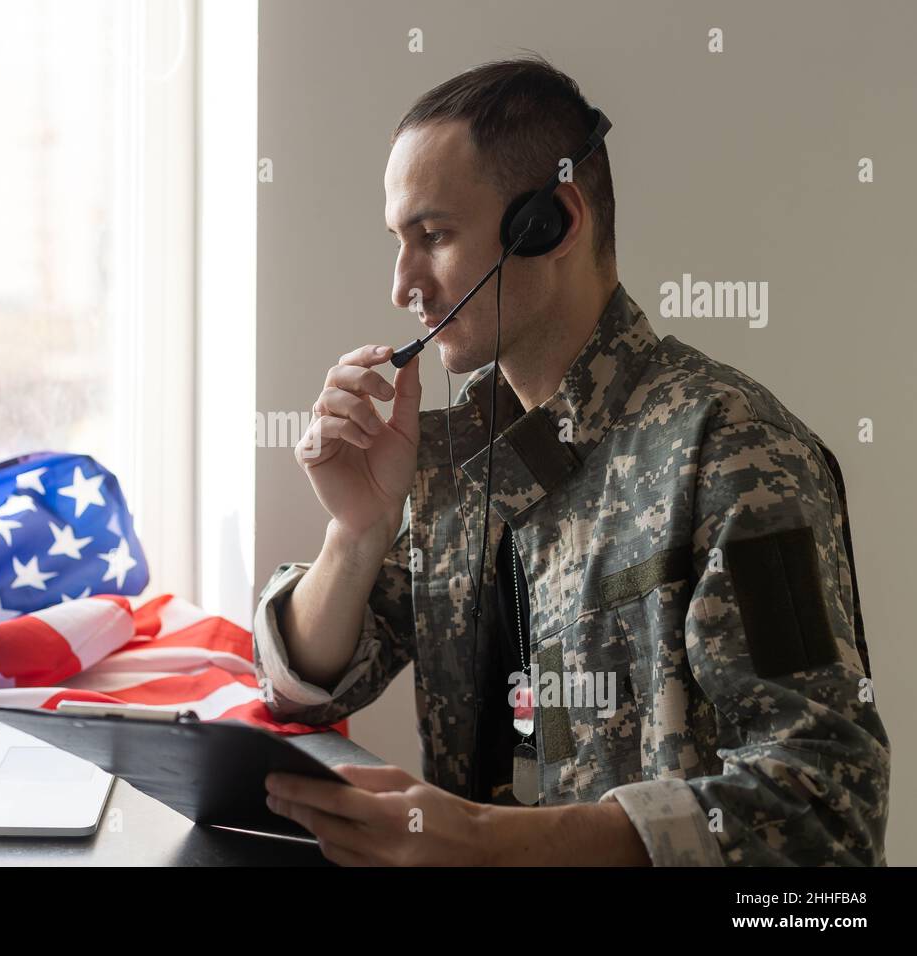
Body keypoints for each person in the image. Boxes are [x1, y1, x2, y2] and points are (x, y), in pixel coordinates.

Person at [253, 57, 888, 866]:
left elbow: (826, 807)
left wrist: (491, 841)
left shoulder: (733, 452)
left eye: (435, 236)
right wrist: (356, 529)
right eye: (398, 241)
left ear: (551, 222)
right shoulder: (459, 457)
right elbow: (303, 690)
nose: (402, 284)